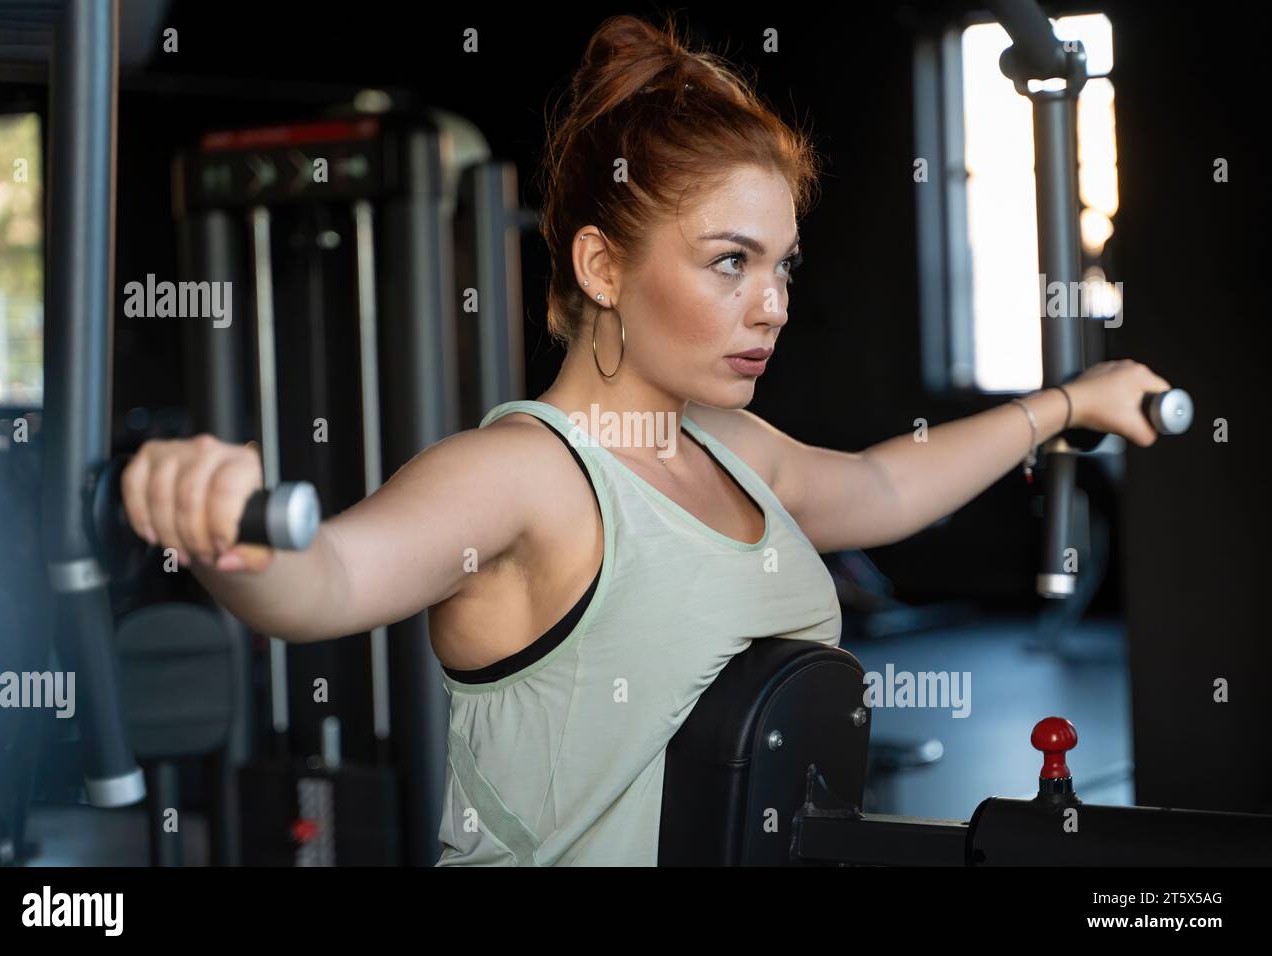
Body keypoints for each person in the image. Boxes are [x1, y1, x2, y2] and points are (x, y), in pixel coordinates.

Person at [120, 14, 1171, 866]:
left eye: (783, 266)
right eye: (729, 261)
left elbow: (885, 486)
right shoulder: (526, 475)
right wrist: (234, 543)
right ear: (601, 266)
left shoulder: (732, 446)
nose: (771, 305)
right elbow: (329, 583)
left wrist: (1068, 404)